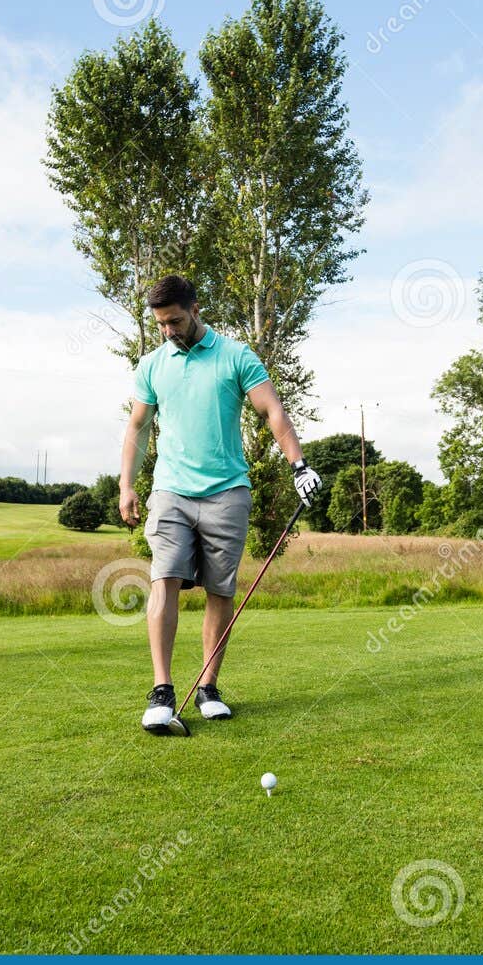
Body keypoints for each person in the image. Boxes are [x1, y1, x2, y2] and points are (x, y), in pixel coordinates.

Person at [120, 276, 322, 732]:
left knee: (220, 589)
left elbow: (272, 410)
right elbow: (138, 426)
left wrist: (299, 465)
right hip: (170, 489)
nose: (168, 330)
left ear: (195, 308)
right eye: (160, 324)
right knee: (164, 576)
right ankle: (162, 690)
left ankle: (209, 687)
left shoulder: (235, 355)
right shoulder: (151, 365)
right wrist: (126, 485)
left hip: (227, 491)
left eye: (174, 321)